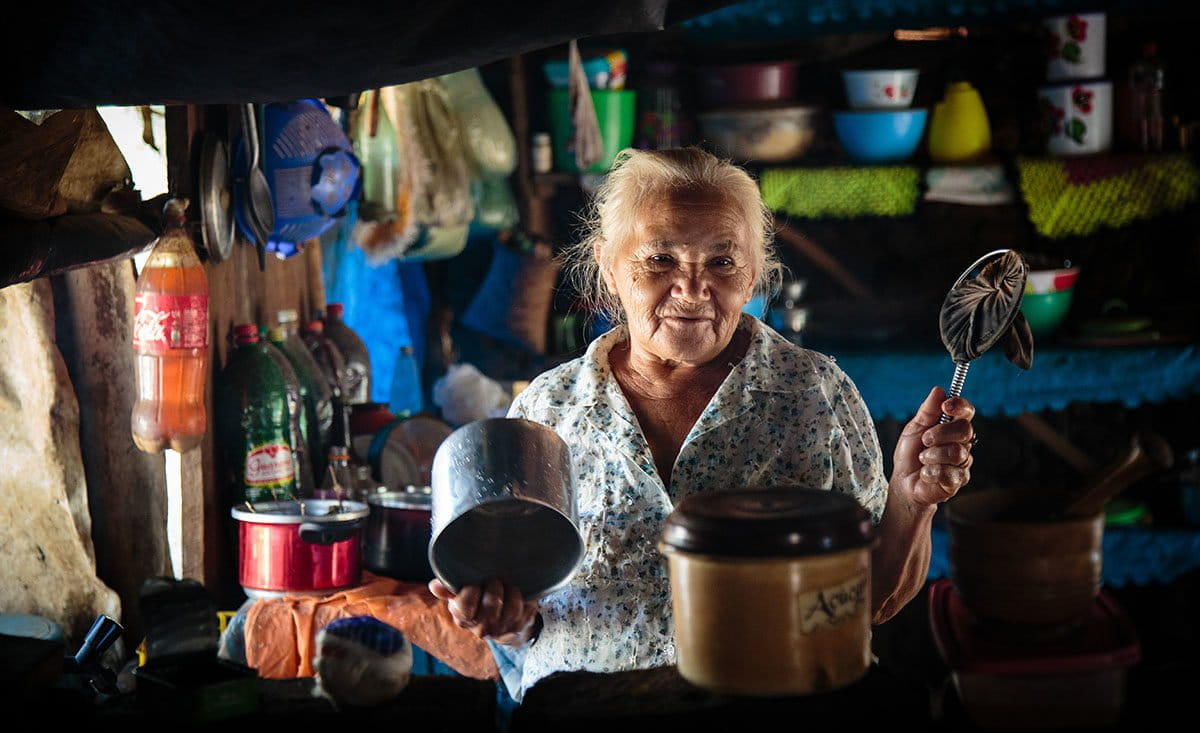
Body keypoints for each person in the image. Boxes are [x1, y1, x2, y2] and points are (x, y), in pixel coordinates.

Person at [428, 147, 977, 702]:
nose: (692, 290)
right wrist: (505, 618)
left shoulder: (813, 395)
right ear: (609, 268)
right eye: (660, 261)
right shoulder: (550, 411)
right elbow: (530, 628)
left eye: (721, 262)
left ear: (755, 274)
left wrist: (915, 500)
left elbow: (868, 603)